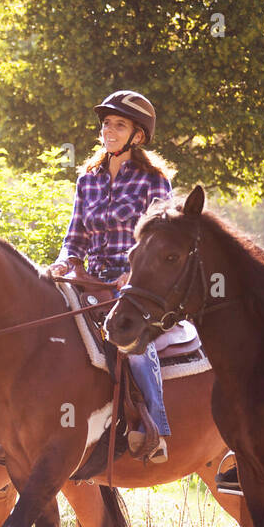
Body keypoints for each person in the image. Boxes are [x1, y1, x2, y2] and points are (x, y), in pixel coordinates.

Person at [46, 90, 173, 463]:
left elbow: (160, 241)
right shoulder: (88, 180)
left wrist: (132, 274)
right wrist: (63, 262)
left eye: (119, 124)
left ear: (137, 135)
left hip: (137, 284)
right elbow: (75, 238)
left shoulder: (153, 180)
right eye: (106, 124)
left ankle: (156, 429)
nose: (109, 130)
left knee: (131, 344)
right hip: (91, 281)